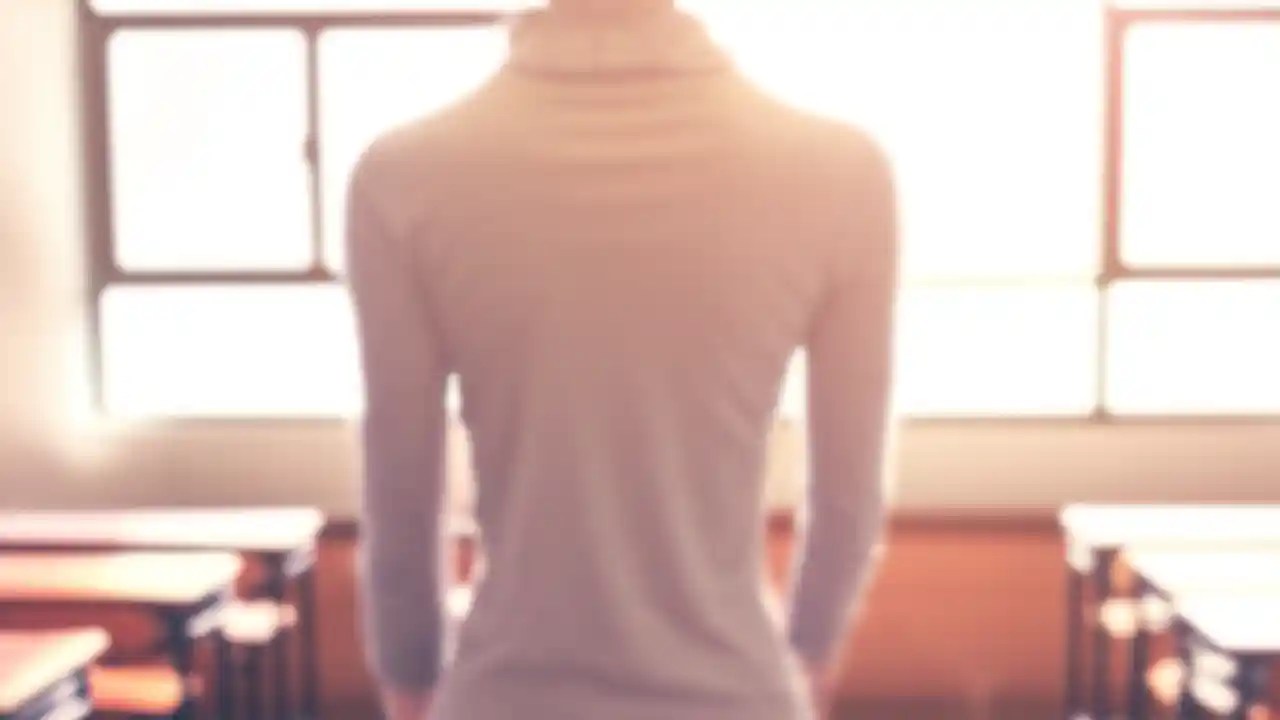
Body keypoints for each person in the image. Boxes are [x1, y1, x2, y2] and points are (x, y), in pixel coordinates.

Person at [346, 1, 898, 718]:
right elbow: (849, 493)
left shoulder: (404, 175)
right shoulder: (840, 173)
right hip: (733, 693)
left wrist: (411, 684)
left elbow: (400, 483)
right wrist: (804, 667)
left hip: (508, 695)